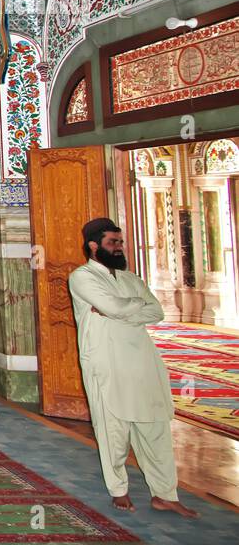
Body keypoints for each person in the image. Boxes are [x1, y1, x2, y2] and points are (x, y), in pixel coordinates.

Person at [68, 218, 198, 519]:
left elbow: (157, 311)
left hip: (141, 360)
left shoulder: (130, 279)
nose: (119, 247)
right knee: (113, 428)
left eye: (120, 242)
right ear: (93, 245)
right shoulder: (82, 277)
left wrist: (123, 307)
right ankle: (118, 489)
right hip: (106, 360)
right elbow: (117, 308)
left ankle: (165, 494)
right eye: (113, 242)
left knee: (155, 427)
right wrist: (130, 308)